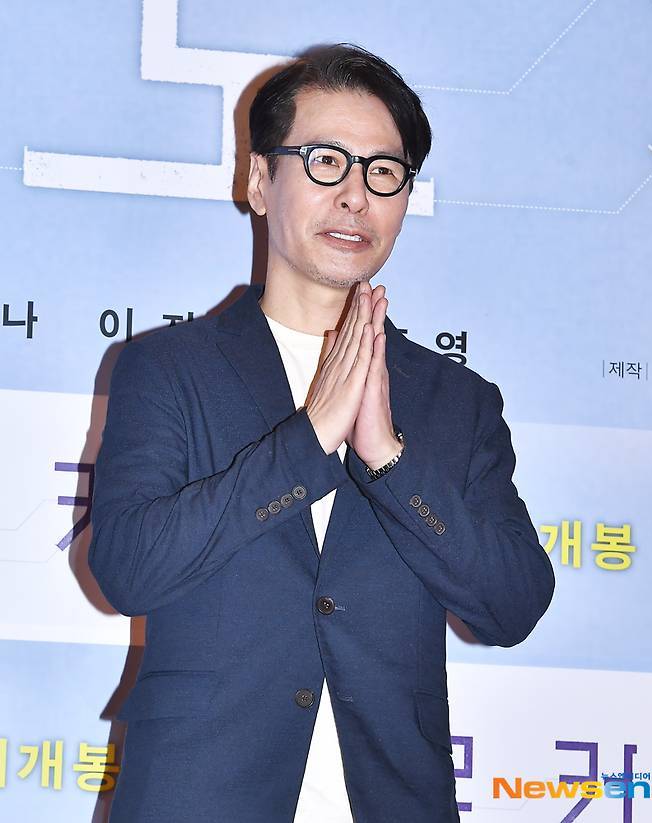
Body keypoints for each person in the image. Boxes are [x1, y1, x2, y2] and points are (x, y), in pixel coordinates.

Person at [89, 43, 555, 823]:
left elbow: (512, 606)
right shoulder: (166, 370)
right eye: (325, 161)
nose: (355, 195)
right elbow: (127, 569)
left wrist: (390, 460)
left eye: (383, 171)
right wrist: (305, 444)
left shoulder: (459, 403)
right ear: (258, 181)